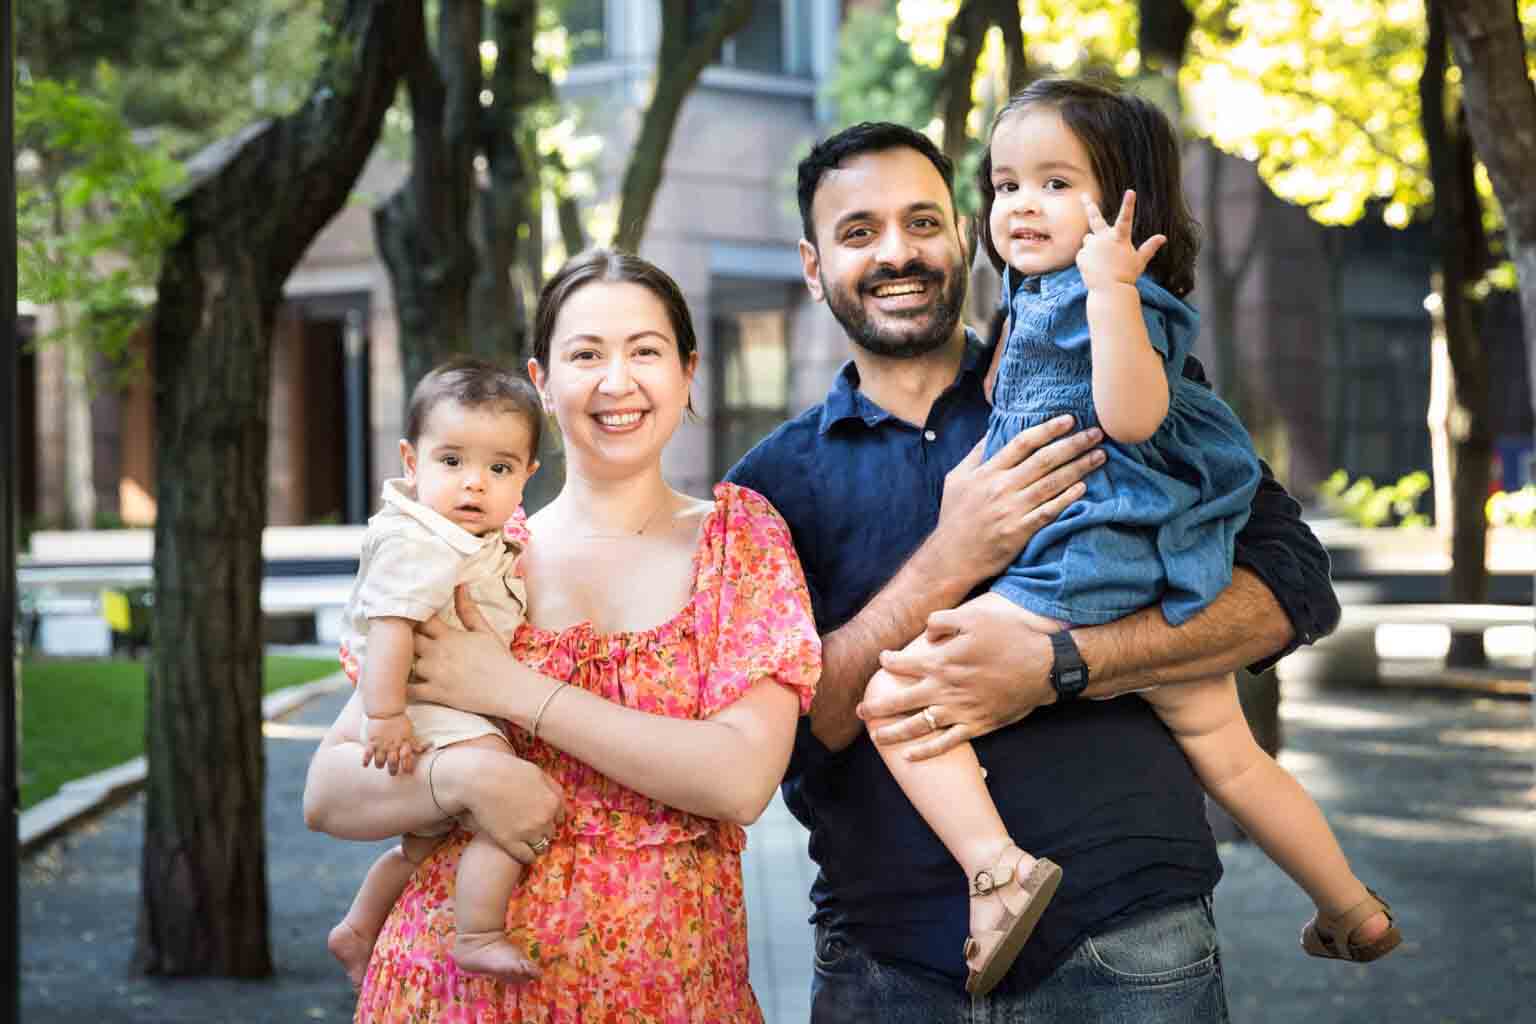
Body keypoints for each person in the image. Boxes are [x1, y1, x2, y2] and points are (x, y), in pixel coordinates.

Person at [723, 118, 1344, 1020]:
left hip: (1132, 938)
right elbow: (789, 734)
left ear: (965, 238)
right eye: (859, 233)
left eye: (924, 222)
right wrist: (949, 558)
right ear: (814, 267)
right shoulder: (767, 489)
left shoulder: (1103, 367)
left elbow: (1292, 584)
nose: (898, 252)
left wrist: (1066, 665)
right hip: (885, 963)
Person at [849, 78, 1400, 996]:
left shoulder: (1110, 297)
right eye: (1006, 183)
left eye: (1056, 183)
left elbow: (1133, 415)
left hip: (1079, 571)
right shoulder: (1038, 298)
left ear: (1126, 204)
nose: (1021, 203)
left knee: (895, 701)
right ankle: (1351, 906)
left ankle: (997, 873)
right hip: (1145, 575)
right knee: (1229, 753)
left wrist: (1110, 293)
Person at [303, 249, 821, 1023]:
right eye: (586, 355)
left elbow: (739, 780)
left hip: (665, 992)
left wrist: (511, 690)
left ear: (688, 371)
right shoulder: (473, 560)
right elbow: (330, 792)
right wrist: (464, 782)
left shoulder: (737, 541)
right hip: (455, 995)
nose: (617, 382)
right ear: (542, 383)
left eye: (645, 351)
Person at [327, 357, 546, 988]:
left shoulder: (475, 537)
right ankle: (477, 932)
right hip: (423, 703)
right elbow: (393, 624)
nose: (473, 484)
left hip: (445, 699)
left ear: (526, 475)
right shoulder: (424, 539)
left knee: (421, 848)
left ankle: (359, 927)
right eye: (452, 462)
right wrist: (386, 715)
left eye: (498, 468)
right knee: (515, 800)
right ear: (411, 461)